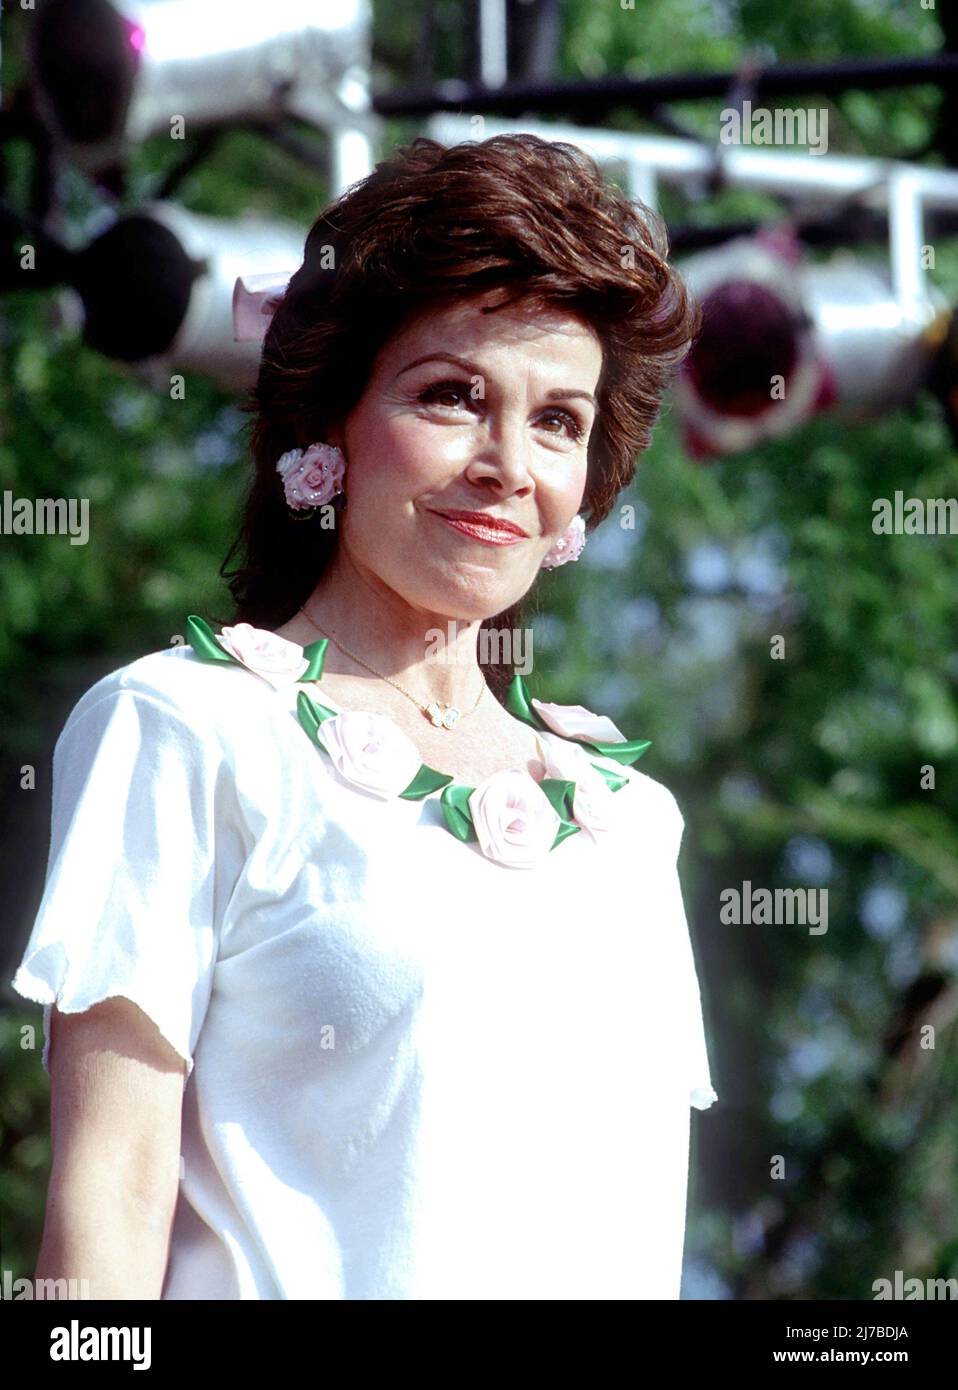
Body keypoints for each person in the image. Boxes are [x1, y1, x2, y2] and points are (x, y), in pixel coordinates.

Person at [11, 133, 717, 1300]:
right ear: (332, 420)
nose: (505, 462)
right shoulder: (188, 730)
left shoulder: (628, 822)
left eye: (557, 421)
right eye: (453, 396)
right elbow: (103, 1223)